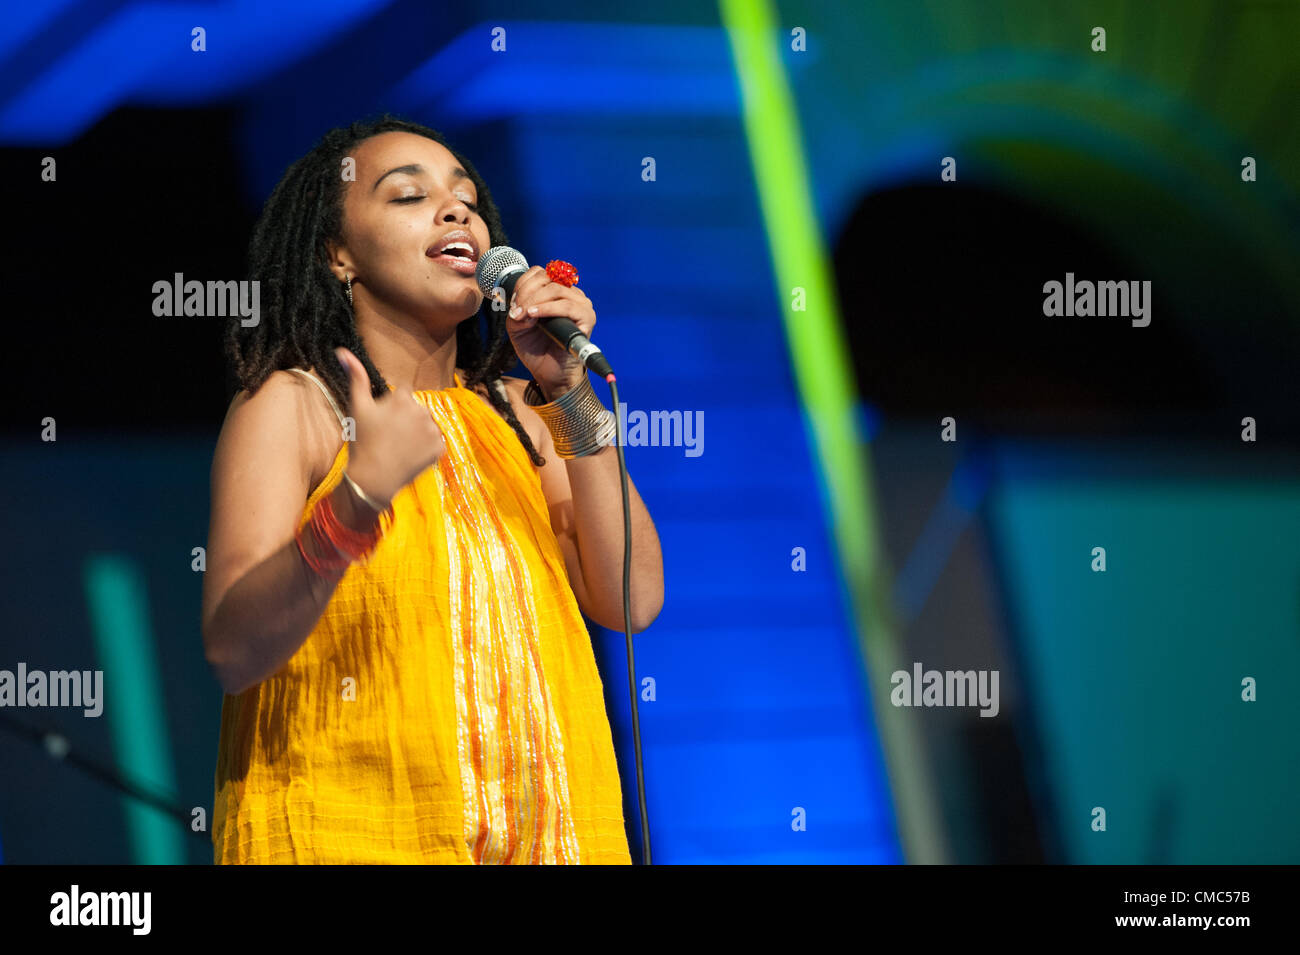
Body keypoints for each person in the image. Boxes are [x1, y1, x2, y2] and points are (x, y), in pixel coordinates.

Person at [200, 115, 664, 864]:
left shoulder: (521, 415)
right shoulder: (296, 404)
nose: (456, 211)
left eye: (467, 199)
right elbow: (232, 645)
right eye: (408, 195)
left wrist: (571, 391)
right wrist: (357, 502)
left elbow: (630, 598)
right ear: (337, 254)